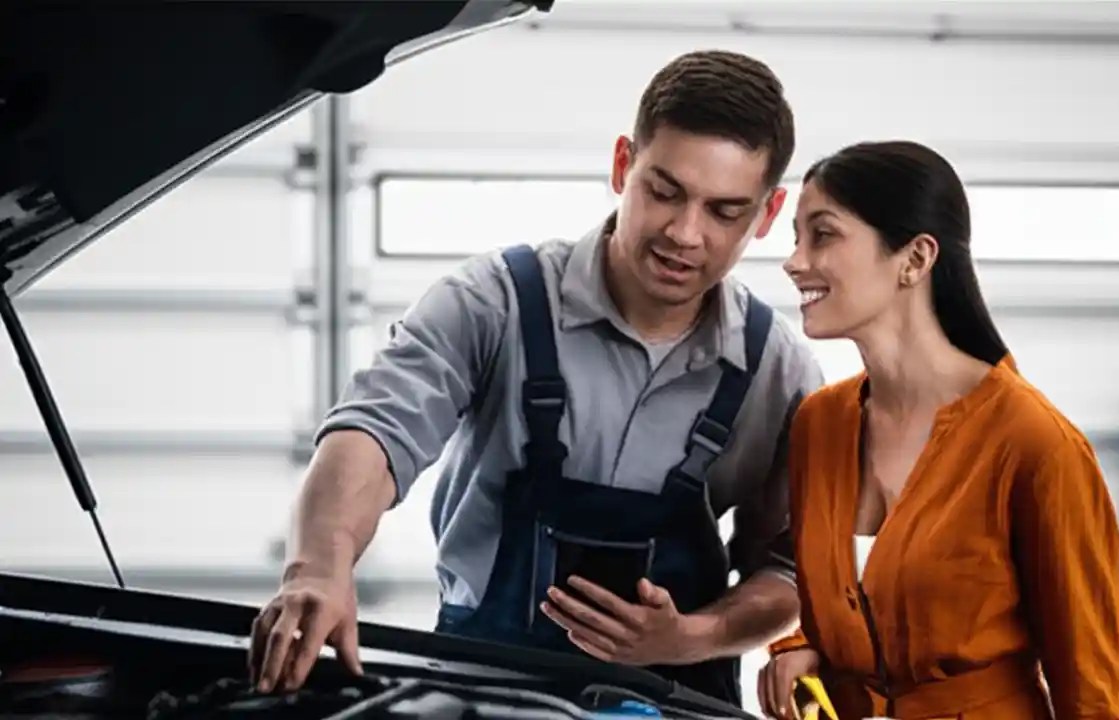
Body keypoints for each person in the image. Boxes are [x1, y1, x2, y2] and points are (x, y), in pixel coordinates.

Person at [247, 49, 825, 708]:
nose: (685, 233)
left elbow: (784, 566)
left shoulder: (775, 371)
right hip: (483, 695)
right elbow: (374, 435)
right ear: (622, 166)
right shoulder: (492, 304)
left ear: (768, 213)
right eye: (664, 192)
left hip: (671, 699)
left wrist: (692, 636)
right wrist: (318, 566)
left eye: (724, 211)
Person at [757, 141, 1119, 719]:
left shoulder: (1035, 445)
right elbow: (828, 603)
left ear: (915, 258)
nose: (794, 261)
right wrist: (800, 644)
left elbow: (1092, 695)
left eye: (822, 235)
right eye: (795, 238)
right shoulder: (819, 425)